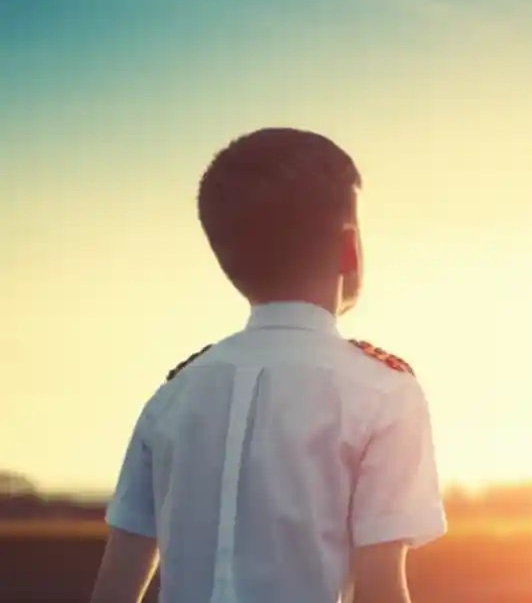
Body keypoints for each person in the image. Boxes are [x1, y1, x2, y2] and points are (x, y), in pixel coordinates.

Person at [90, 129, 446, 603]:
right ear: (349, 248)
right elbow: (381, 588)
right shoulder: (384, 392)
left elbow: (115, 587)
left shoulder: (173, 395)